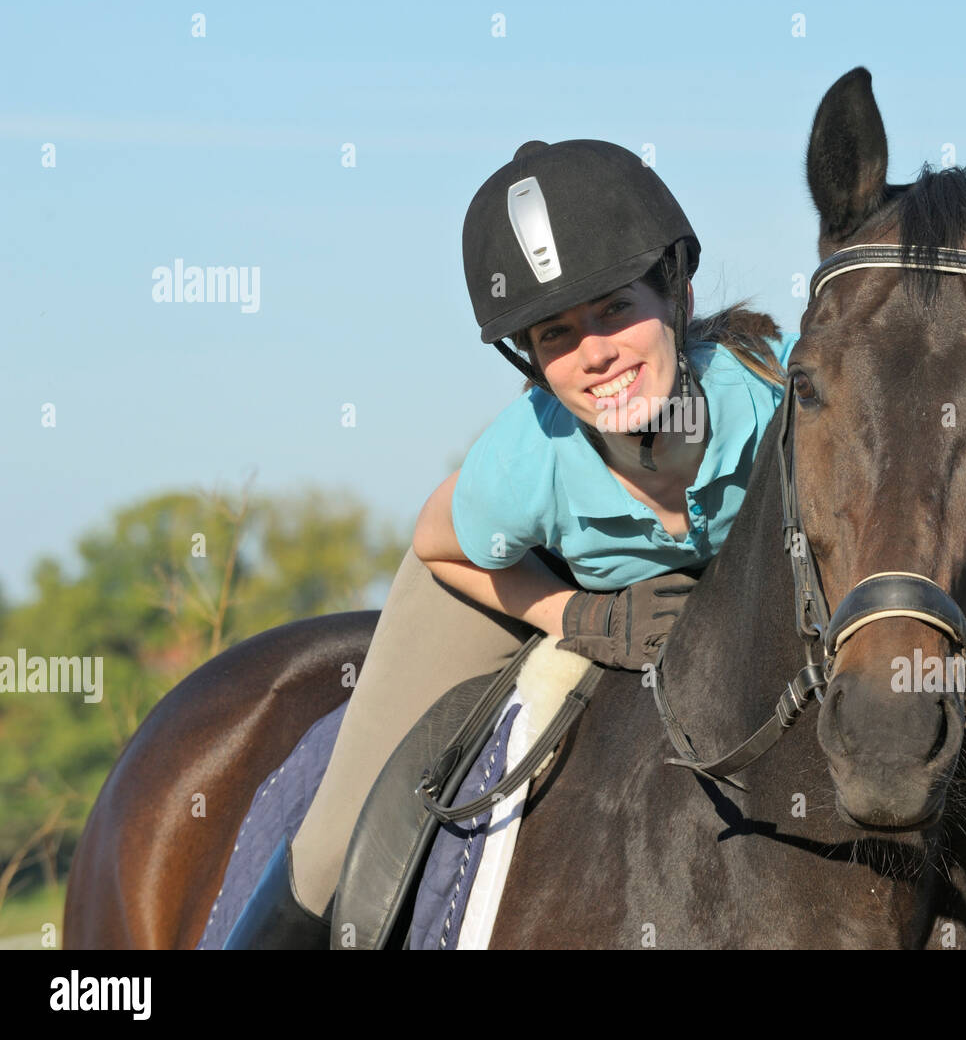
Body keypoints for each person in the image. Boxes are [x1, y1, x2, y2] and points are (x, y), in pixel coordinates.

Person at [222, 139, 800, 949]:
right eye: (556, 335)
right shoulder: (527, 458)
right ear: (527, 357)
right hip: (505, 578)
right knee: (327, 853)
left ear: (676, 290)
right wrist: (578, 617)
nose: (595, 353)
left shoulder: (783, 400)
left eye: (613, 309)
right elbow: (440, 547)